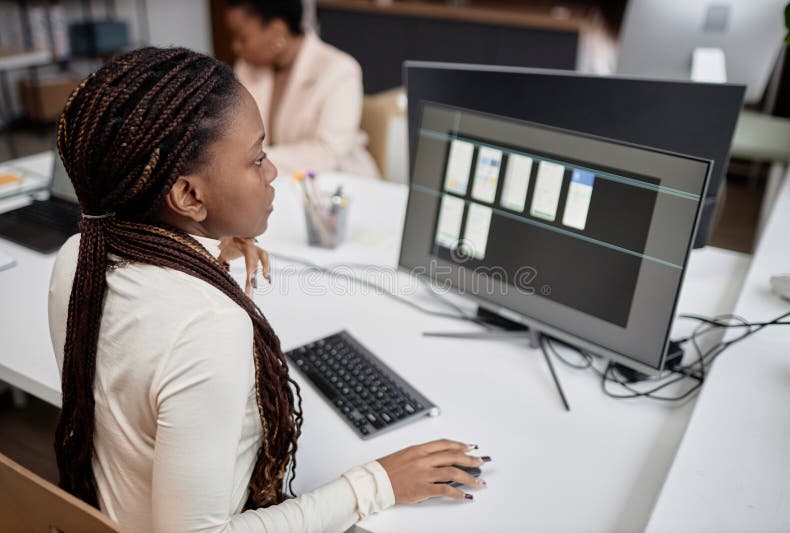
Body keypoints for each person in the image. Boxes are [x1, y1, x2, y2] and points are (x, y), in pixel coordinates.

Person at [47, 47, 487, 532]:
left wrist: (201, 242)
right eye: (257, 159)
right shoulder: (208, 327)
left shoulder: (79, 255)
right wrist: (377, 483)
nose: (272, 171)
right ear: (188, 196)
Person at [226, 0, 380, 178]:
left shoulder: (339, 70)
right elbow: (236, 134)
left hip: (336, 181)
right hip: (271, 180)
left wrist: (253, 159)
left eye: (242, 37)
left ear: (277, 31)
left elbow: (328, 152)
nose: (235, 47)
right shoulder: (247, 67)